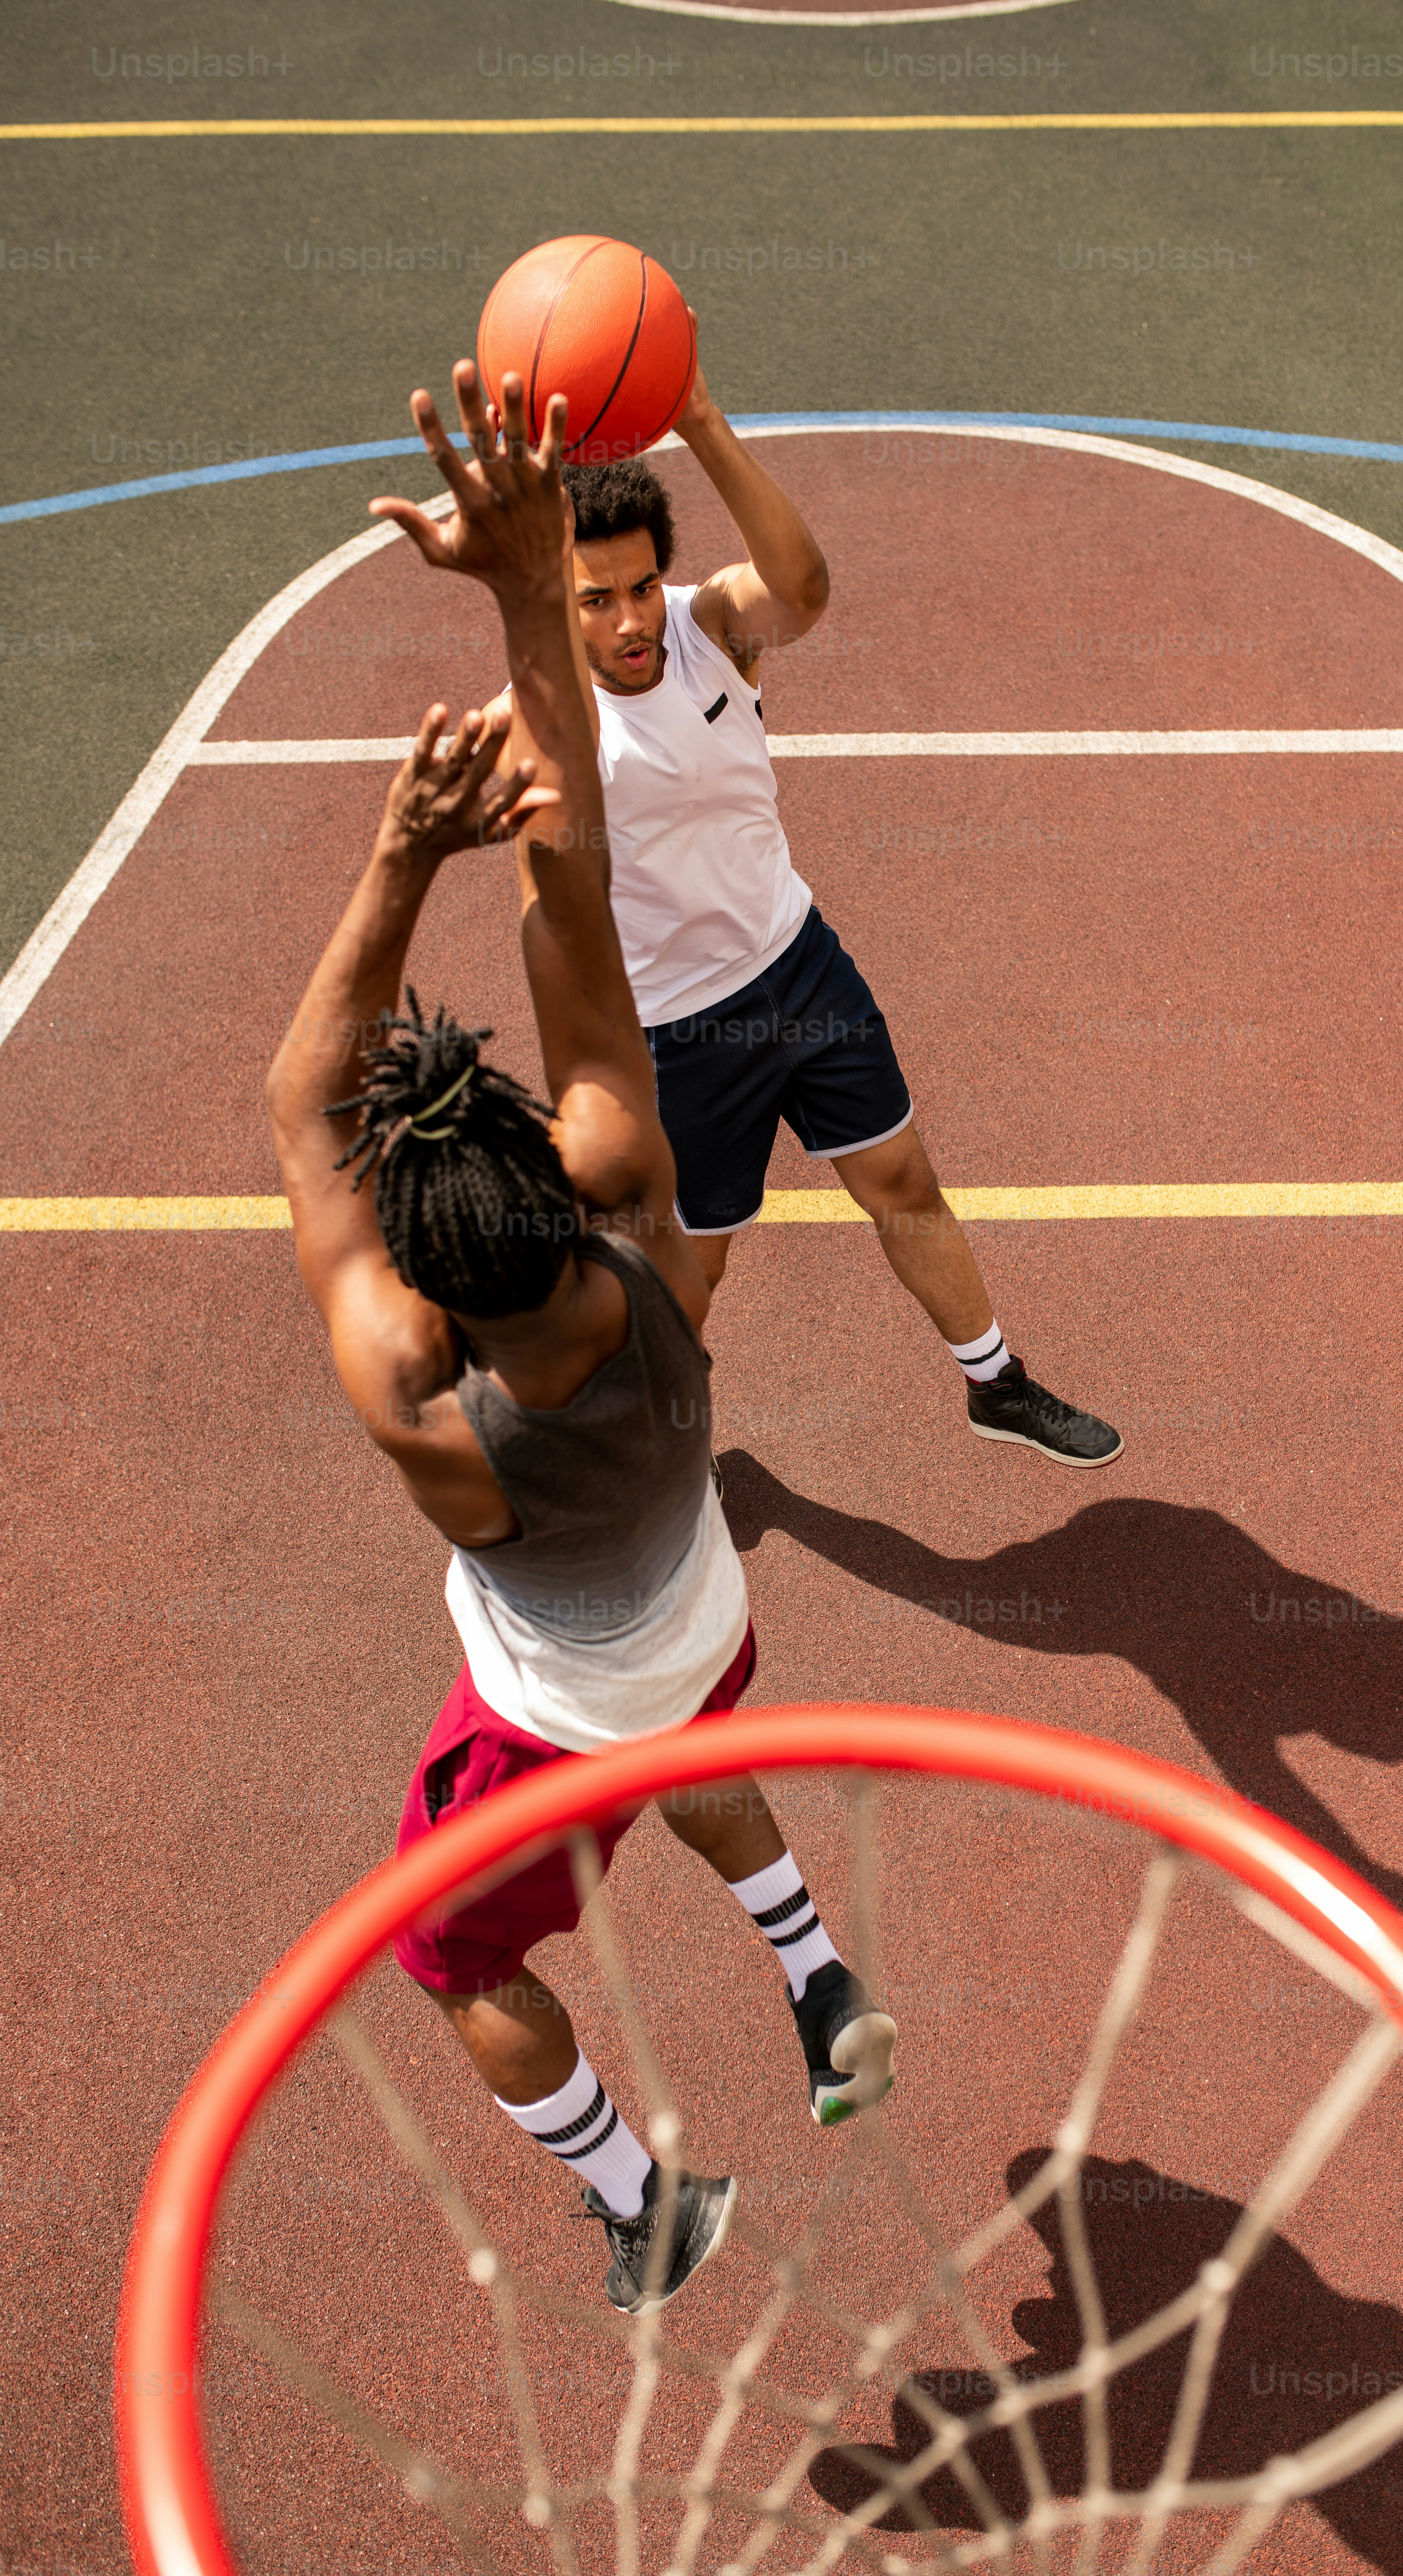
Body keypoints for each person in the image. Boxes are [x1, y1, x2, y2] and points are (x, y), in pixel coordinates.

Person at [267, 365, 897, 2319]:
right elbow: (569, 884)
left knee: (449, 1960)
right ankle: (815, 1971)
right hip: (703, 1620)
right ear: (554, 1161)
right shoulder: (628, 1201)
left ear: (423, 1285)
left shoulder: (420, 1410)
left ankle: (639, 2196)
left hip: (549, 1722)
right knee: (699, 1728)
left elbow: (300, 1115)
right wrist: (529, 598)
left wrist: (389, 859)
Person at [479, 344, 1122, 1471]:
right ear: (553, 597)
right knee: (693, 1269)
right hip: (677, 1034)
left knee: (902, 1181)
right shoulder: (538, 720)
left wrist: (705, 424)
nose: (629, 620)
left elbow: (808, 590)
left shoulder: (711, 629)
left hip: (797, 963)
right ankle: (646, 1459)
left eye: (639, 587)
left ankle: (996, 1382)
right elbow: (546, 921)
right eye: (595, 599)